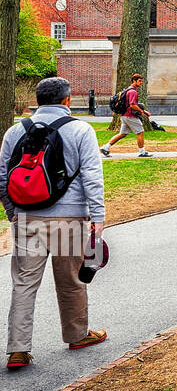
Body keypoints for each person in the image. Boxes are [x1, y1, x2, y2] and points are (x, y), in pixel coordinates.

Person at [3, 77, 110, 371]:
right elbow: (92, 176)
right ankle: (77, 334)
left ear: (37, 100)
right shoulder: (80, 129)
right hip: (68, 217)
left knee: (23, 283)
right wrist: (97, 218)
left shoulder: (15, 131)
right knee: (70, 281)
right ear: (67, 100)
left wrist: (13, 212)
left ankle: (18, 349)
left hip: (26, 217)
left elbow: (3, 176)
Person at [100, 73, 152, 158]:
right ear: (134, 81)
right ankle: (142, 152)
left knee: (122, 134)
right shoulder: (133, 92)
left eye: (141, 81)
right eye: (139, 81)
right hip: (130, 116)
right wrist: (142, 111)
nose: (141, 83)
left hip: (124, 115)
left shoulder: (129, 90)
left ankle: (105, 148)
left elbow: (131, 104)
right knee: (140, 132)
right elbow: (132, 105)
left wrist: (144, 111)